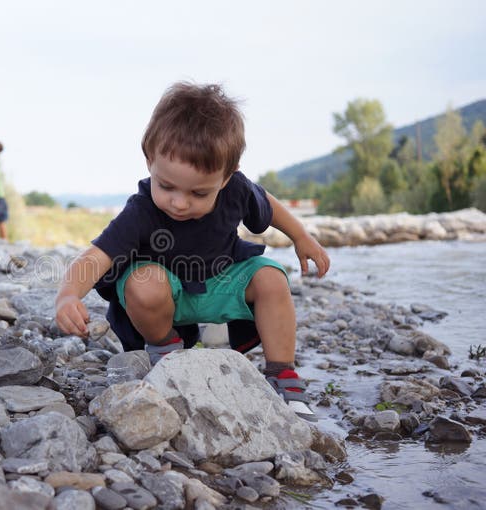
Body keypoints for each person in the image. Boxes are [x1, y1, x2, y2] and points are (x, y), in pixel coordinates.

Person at [54, 82, 330, 421]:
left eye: (199, 193)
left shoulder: (237, 189)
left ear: (228, 177)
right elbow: (96, 257)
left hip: (219, 283)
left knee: (272, 277)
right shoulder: (141, 211)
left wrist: (300, 235)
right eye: (166, 186)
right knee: (142, 282)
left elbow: (267, 205)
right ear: (149, 161)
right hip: (164, 297)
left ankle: (282, 374)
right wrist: (67, 296)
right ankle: (168, 350)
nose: (179, 203)